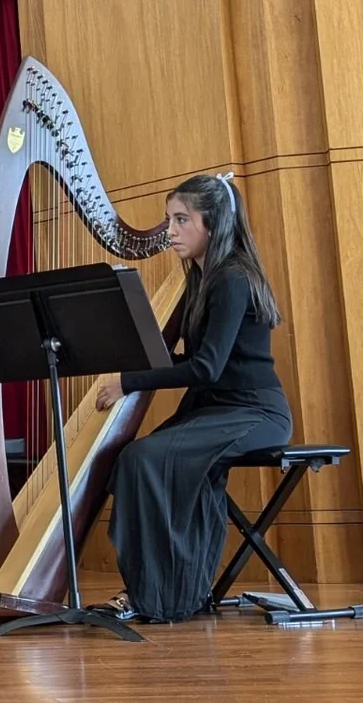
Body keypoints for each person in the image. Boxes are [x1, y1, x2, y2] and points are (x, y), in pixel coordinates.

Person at [91, 173, 289, 624]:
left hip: (255, 412)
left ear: (213, 224)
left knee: (145, 458)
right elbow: (194, 357)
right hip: (217, 408)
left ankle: (156, 594)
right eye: (168, 220)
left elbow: (206, 368)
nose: (170, 231)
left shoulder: (233, 279)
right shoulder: (202, 279)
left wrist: (132, 381)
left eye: (182, 220)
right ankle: (165, 587)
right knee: (133, 457)